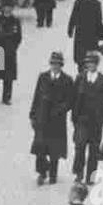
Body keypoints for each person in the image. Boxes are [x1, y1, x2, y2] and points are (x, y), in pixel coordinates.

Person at [29, 51, 75, 186]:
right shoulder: (43, 77)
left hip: (57, 119)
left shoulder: (67, 80)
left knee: (55, 149)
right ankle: (42, 173)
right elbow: (36, 96)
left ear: (61, 65)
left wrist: (60, 109)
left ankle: (53, 174)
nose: (55, 66)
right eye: (53, 63)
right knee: (40, 148)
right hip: (42, 117)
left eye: (58, 64)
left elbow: (70, 100)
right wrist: (32, 114)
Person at [71, 50, 103, 185]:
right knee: (80, 147)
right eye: (88, 63)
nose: (90, 65)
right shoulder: (80, 78)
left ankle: (91, 176)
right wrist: (74, 118)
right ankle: (79, 173)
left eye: (92, 63)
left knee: (94, 150)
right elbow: (74, 98)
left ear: (97, 64)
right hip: (82, 119)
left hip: (96, 121)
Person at [0, 0, 22, 105]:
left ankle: (6, 97)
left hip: (9, 51)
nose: (8, 9)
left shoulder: (15, 21)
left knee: (8, 76)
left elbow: (18, 37)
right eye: (6, 6)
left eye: (10, 7)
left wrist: (13, 47)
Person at [67, 0, 103, 71]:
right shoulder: (97, 4)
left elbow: (73, 17)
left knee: (80, 59)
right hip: (92, 36)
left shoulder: (79, 1)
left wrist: (70, 29)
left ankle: (80, 74)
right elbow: (99, 22)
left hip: (80, 35)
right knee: (90, 61)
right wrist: (101, 35)